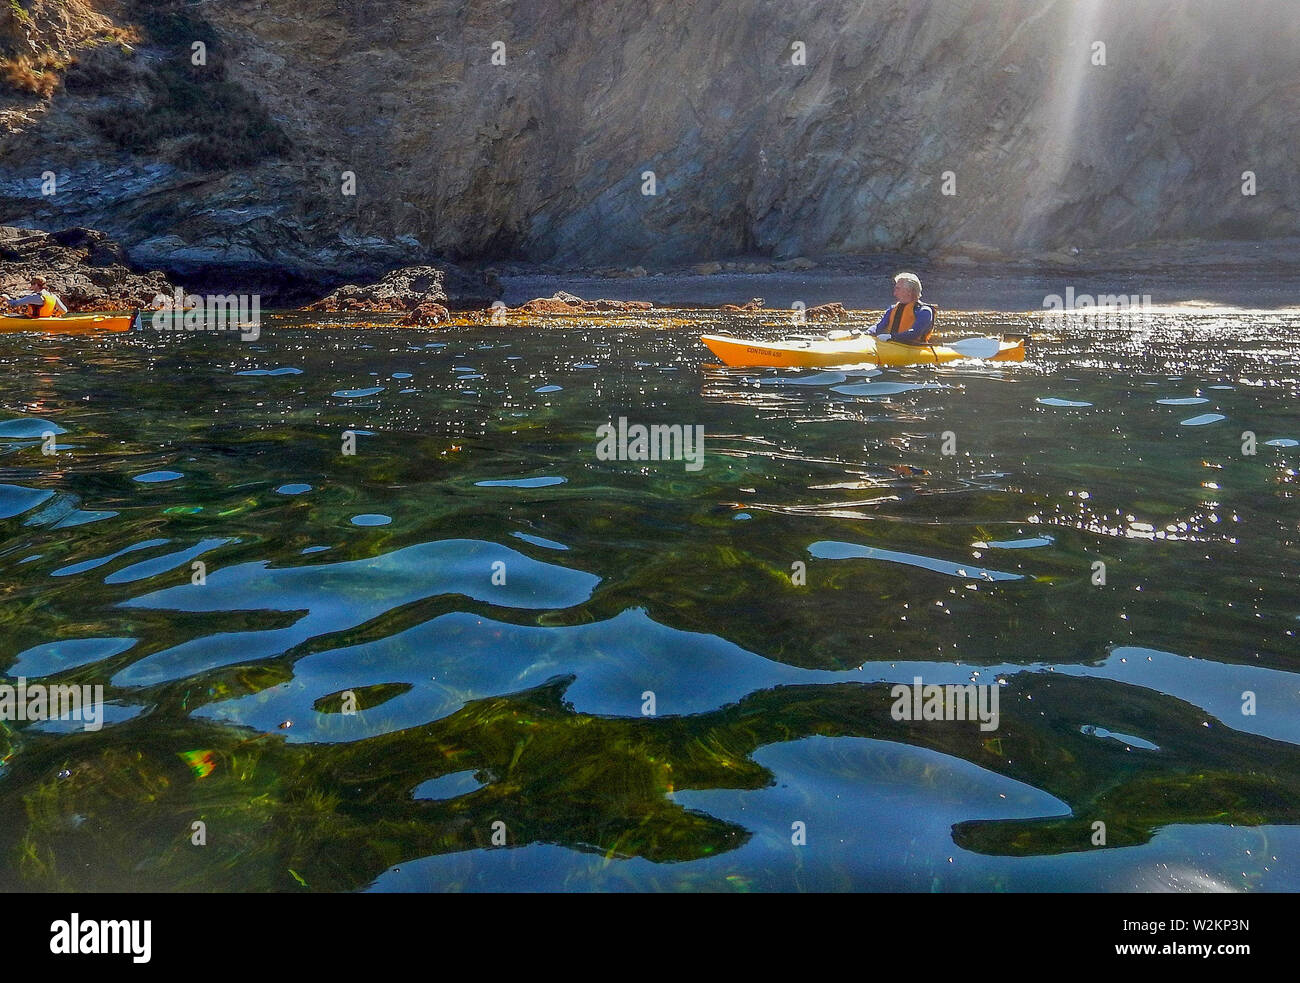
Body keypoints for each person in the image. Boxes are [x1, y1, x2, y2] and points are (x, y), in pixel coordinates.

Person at [869, 272, 934, 345]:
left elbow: (915, 333)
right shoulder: (892, 309)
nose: (895, 293)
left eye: (898, 289)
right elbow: (878, 327)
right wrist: (867, 332)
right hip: (892, 346)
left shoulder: (924, 311)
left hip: (912, 348)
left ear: (909, 291)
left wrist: (891, 337)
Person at [1, 277, 69, 318]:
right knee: (12, 314)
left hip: (34, 320)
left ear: (36, 285)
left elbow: (14, 304)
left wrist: (7, 298)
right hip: (47, 319)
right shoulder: (53, 296)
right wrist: (55, 315)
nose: (31, 286)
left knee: (7, 316)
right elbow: (64, 311)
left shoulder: (34, 297)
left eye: (32, 284)